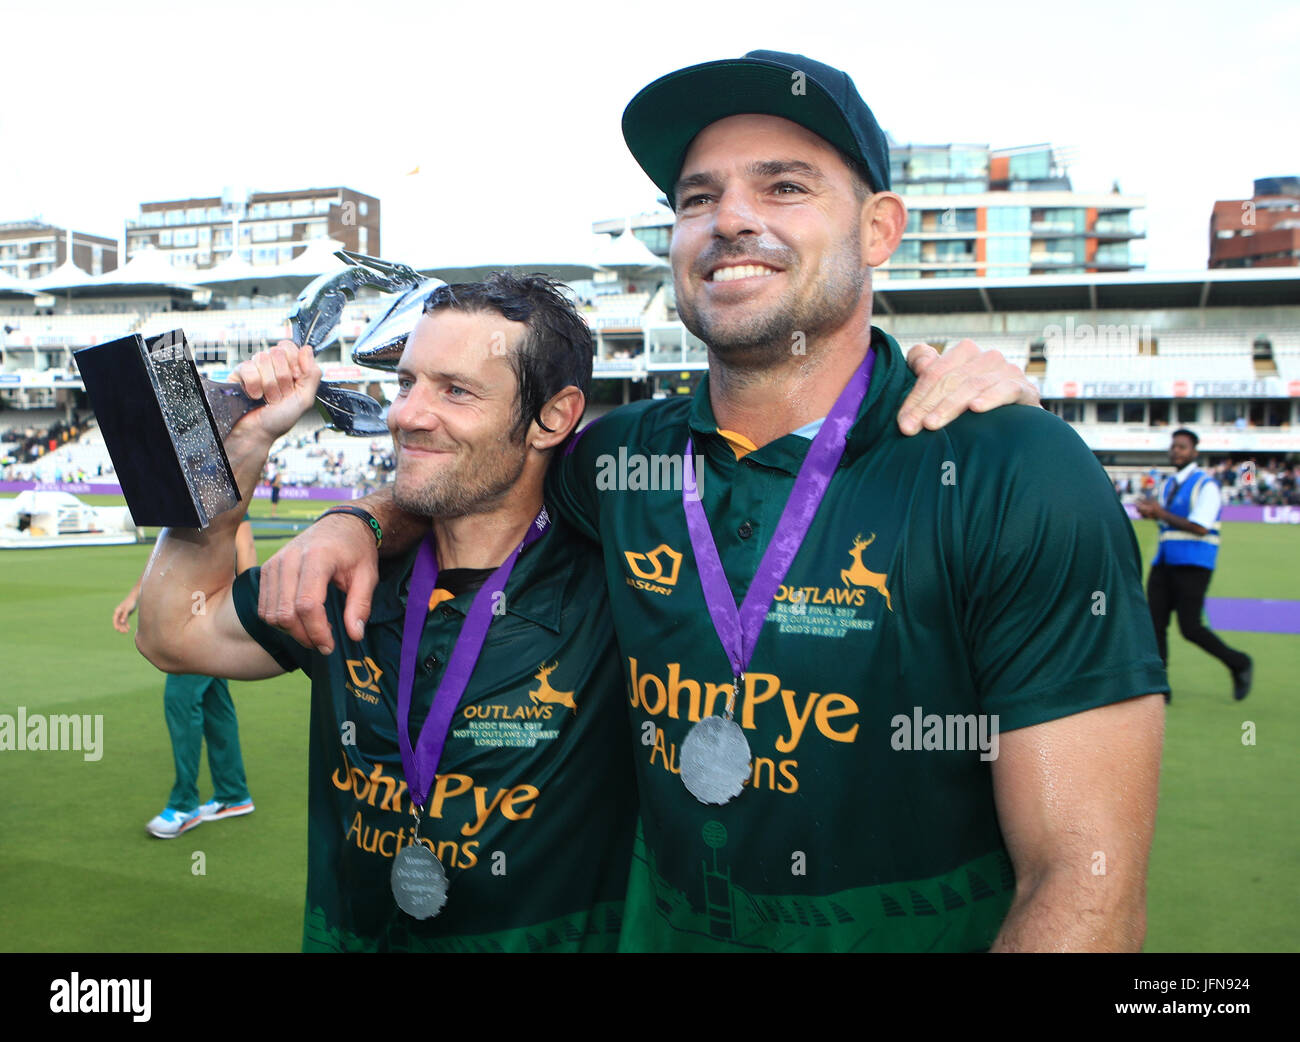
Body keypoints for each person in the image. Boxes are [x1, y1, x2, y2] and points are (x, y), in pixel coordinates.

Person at [252, 51, 1166, 952]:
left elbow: (1085, 886)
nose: (730, 220)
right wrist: (362, 517)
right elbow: (474, 460)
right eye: (697, 198)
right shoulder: (616, 458)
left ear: (880, 229)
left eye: (784, 187)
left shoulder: (1013, 469)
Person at [135, 276, 638, 952]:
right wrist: (242, 451)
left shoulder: (621, 588)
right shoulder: (343, 574)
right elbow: (173, 633)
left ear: (553, 417)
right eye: (406, 385)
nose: (406, 414)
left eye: (455, 390)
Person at [114, 516, 258, 838]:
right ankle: (233, 793)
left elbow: (246, 550)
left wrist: (243, 614)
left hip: (205, 621)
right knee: (214, 705)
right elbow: (164, 552)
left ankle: (184, 805)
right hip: (189, 614)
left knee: (180, 698)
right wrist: (134, 596)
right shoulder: (186, 494)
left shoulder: (222, 496)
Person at [1136, 428, 1252, 701]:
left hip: (1194, 564)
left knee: (1190, 628)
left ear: (1194, 452)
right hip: (1164, 562)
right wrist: (1152, 514)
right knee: (1154, 625)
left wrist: (1160, 513)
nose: (1176, 451)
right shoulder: (1168, 484)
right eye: (1174, 446)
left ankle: (1239, 662)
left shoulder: (1206, 485)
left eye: (1183, 447)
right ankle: (1159, 689)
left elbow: (1200, 528)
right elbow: (1168, 522)